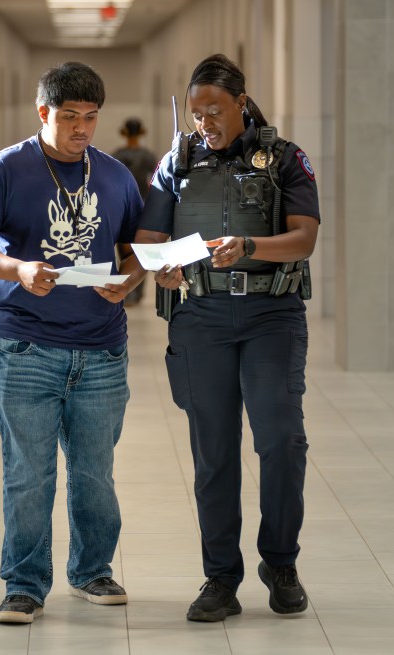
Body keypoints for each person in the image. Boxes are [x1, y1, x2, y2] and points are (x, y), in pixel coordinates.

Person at [0, 61, 146, 624]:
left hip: (102, 349)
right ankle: (24, 583)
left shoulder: (113, 176)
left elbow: (138, 248)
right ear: (44, 113)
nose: (82, 128)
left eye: (91, 117)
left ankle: (92, 571)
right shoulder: (9, 168)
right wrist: (15, 269)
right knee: (28, 473)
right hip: (27, 347)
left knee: (94, 472)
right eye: (70, 117)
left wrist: (129, 280)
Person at [134, 54, 320, 622]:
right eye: (196, 113)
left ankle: (280, 562)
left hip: (271, 316)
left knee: (282, 441)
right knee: (213, 454)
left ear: (241, 102)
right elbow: (150, 234)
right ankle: (220, 578)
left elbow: (305, 238)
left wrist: (250, 246)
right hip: (203, 319)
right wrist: (161, 266)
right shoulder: (177, 162)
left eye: (214, 111)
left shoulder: (285, 159)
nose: (204, 123)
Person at [112, 117, 158, 306]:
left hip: (128, 206)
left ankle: (132, 291)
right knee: (137, 249)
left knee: (133, 249)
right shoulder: (145, 155)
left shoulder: (118, 155)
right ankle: (133, 291)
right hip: (138, 207)